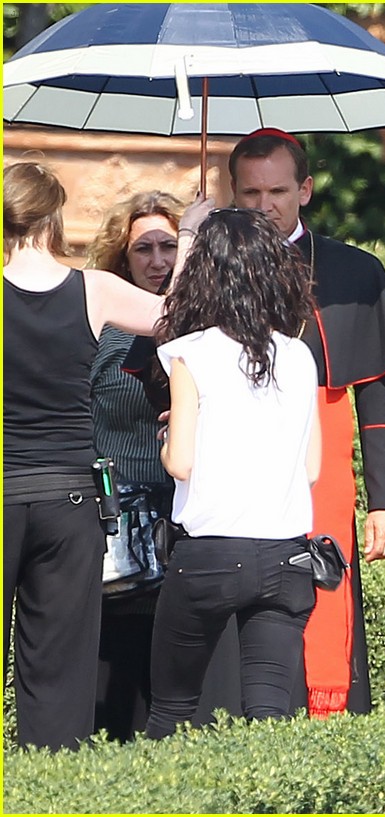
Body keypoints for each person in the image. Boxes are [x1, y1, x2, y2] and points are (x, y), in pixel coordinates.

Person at [179, 128, 385, 718]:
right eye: (251, 193)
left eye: (279, 191)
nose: (265, 206)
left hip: (322, 466)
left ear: (306, 190)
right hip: (228, 463)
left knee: (318, 588)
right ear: (230, 193)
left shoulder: (353, 271)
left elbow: (379, 403)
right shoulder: (211, 273)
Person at [3, 162, 165, 750]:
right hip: (70, 500)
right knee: (59, 668)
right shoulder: (93, 290)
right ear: (54, 218)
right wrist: (192, 236)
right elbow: (185, 315)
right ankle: (52, 788)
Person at [144, 207, 321, 738]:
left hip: (212, 553)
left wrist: (166, 439)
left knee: (171, 712)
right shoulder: (298, 355)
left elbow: (181, 463)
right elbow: (310, 468)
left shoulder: (189, 355)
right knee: (269, 723)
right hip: (289, 554)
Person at [85, 190, 185, 741]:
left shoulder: (209, 330)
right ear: (122, 260)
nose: (157, 261)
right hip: (116, 519)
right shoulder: (107, 327)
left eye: (169, 245)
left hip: (185, 517)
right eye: (142, 249)